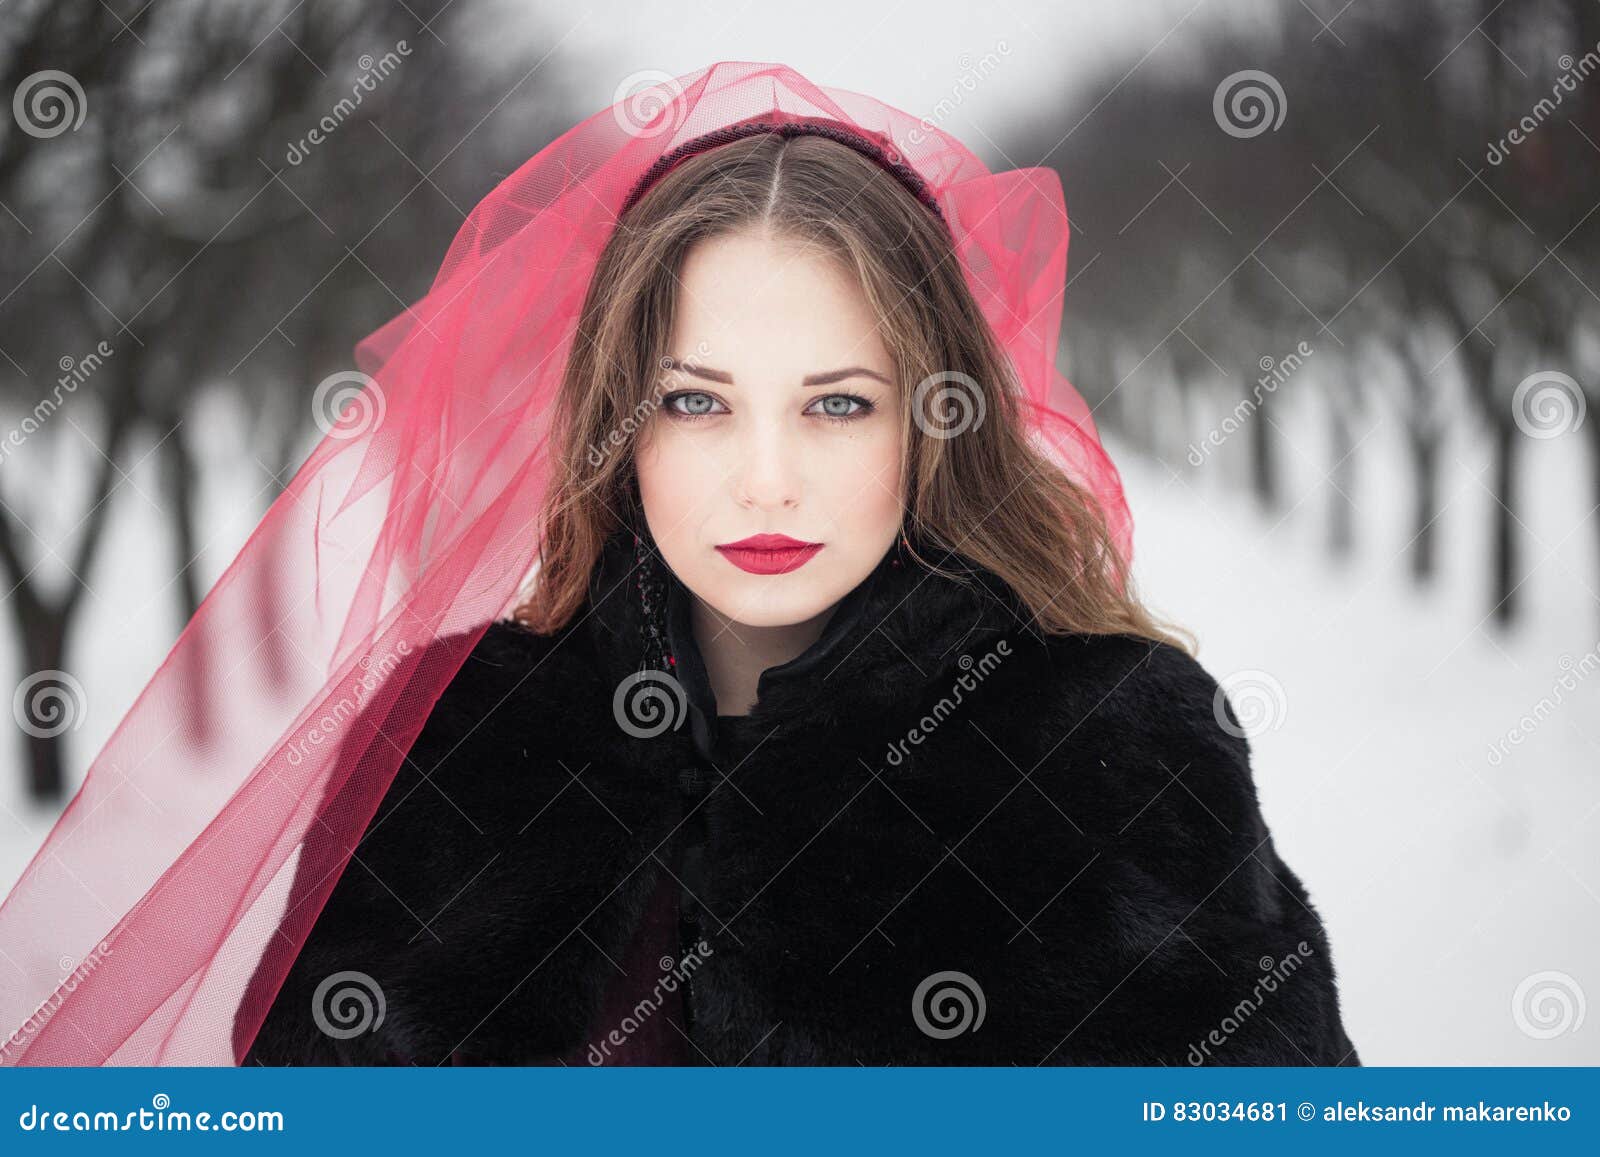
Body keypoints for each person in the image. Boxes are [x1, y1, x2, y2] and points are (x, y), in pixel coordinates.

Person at [0, 61, 1359, 1068]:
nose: (765, 476)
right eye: (697, 401)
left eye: (839, 402)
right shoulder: (450, 742)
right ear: (619, 420)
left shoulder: (1119, 749)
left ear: (932, 419)